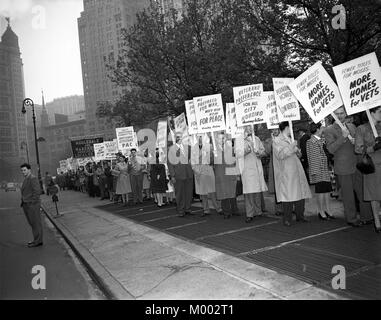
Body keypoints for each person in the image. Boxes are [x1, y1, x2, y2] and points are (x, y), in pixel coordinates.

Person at [325, 106, 373, 227]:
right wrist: (343, 137)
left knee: (363, 192)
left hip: (357, 164)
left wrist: (356, 141)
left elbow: (359, 143)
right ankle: (352, 219)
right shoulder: (329, 130)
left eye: (342, 113)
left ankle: (367, 217)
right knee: (348, 196)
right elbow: (330, 149)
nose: (340, 115)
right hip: (343, 167)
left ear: (346, 113)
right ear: (333, 115)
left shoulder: (352, 126)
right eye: (337, 113)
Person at [273, 122, 312, 226]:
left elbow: (296, 154)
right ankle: (287, 218)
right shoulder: (277, 140)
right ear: (286, 128)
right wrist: (291, 147)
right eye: (290, 128)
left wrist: (298, 152)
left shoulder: (291, 139)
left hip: (297, 170)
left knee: (300, 193)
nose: (292, 130)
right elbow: (281, 155)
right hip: (286, 172)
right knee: (288, 195)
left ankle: (300, 215)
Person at [355, 106, 381, 233]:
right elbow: (358, 149)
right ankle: (377, 222)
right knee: (374, 195)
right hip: (373, 166)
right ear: (371, 113)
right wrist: (373, 147)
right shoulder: (362, 129)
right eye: (380, 112)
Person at [236, 125, 268, 223]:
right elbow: (237, 153)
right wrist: (246, 151)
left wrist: (260, 153)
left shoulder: (257, 139)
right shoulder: (239, 139)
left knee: (257, 191)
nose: (251, 128)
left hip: (257, 167)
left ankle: (258, 211)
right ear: (244, 127)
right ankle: (249, 214)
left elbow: (264, 151)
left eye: (252, 126)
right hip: (247, 169)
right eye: (249, 126)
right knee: (249, 192)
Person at [306, 122, 334, 220]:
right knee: (320, 192)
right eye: (322, 127)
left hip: (325, 169)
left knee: (327, 191)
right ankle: (321, 211)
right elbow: (312, 158)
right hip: (318, 170)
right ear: (317, 129)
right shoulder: (310, 141)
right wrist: (314, 172)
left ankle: (328, 210)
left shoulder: (323, 140)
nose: (323, 129)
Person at [192, 134, 223, 217]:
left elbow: (213, 159)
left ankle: (218, 208)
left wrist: (211, 155)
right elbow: (192, 162)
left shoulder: (209, 146)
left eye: (201, 137)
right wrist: (197, 171)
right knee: (202, 192)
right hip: (199, 171)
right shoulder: (193, 148)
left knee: (212, 190)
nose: (200, 139)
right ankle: (206, 210)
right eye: (198, 137)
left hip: (208, 169)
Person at [168, 132, 194, 217]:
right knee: (179, 194)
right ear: (175, 138)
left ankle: (187, 208)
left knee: (189, 192)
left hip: (188, 174)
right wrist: (172, 175)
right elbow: (170, 163)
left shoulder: (188, 148)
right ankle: (181, 210)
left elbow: (192, 158)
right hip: (178, 175)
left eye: (180, 137)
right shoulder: (171, 149)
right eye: (177, 137)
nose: (179, 138)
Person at [214, 132, 239, 219]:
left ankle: (234, 209)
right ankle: (226, 212)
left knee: (232, 192)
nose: (221, 140)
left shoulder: (230, 148)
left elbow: (235, 160)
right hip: (220, 174)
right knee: (223, 193)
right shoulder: (214, 150)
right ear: (216, 140)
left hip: (230, 172)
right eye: (220, 138)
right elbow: (209, 161)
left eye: (223, 138)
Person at [20, 163, 43, 247]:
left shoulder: (32, 178)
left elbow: (37, 192)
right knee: (33, 223)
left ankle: (38, 241)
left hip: (32, 205)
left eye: (24, 170)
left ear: (29, 170)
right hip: (27, 204)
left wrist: (32, 203)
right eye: (22, 170)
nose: (23, 172)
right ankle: (36, 240)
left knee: (35, 223)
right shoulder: (26, 179)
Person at [265, 128, 283, 216]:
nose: (275, 131)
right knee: (277, 189)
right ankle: (278, 209)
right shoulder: (269, 140)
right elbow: (267, 151)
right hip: (274, 166)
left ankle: (289, 207)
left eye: (276, 129)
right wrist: (272, 141)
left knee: (285, 187)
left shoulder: (284, 138)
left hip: (284, 165)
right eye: (273, 130)